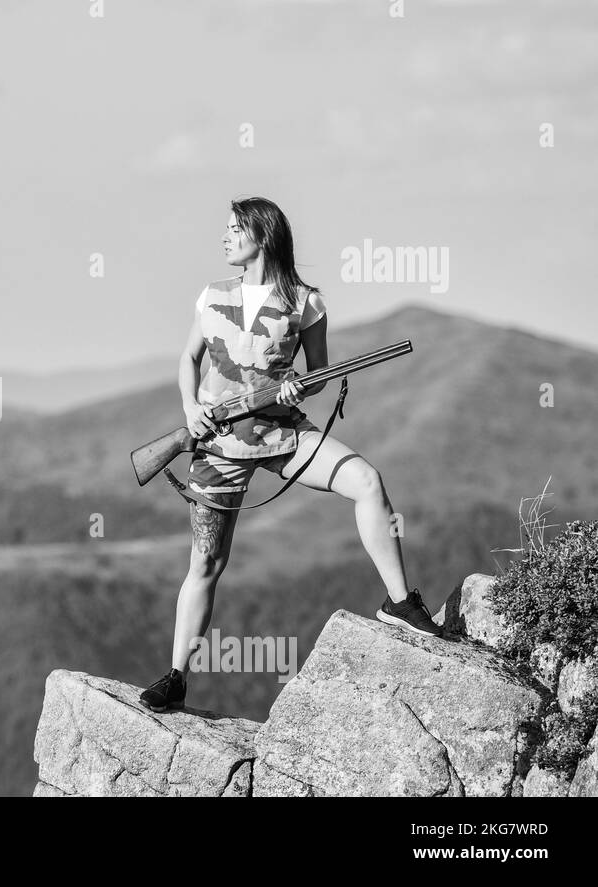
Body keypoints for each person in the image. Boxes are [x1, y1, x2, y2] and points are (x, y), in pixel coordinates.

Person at [139, 197, 441, 714]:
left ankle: (399, 604)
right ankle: (175, 678)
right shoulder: (212, 296)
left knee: (367, 481)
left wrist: (297, 390)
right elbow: (188, 360)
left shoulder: (306, 302)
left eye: (236, 228)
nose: (226, 236)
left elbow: (317, 374)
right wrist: (190, 410)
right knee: (207, 562)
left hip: (283, 437)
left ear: (263, 235)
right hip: (218, 444)